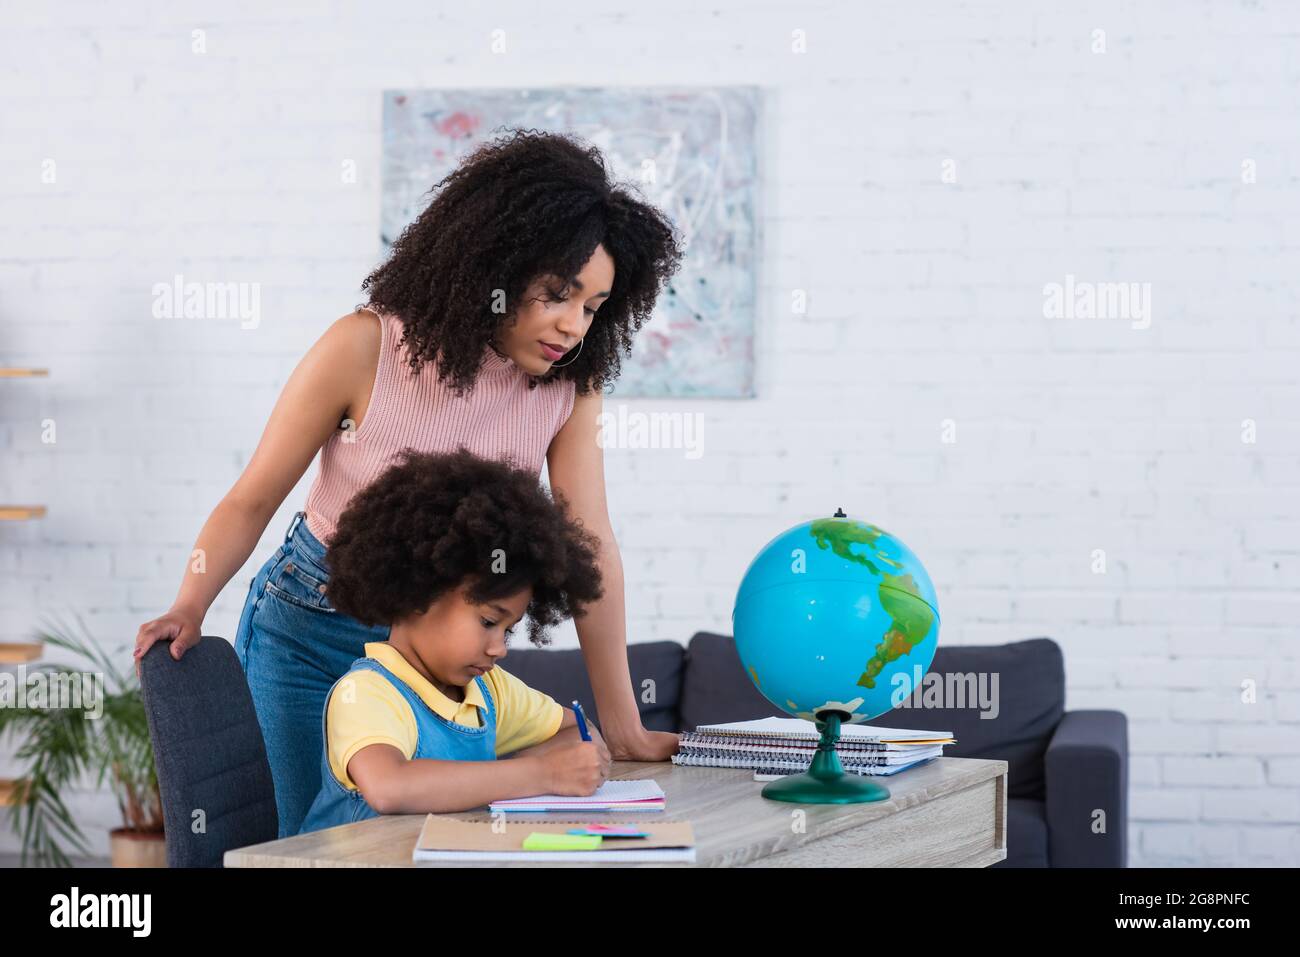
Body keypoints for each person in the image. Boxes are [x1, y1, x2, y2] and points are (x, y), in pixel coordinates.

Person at [134, 129, 684, 837]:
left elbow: (591, 544)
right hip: (311, 628)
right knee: (304, 846)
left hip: (438, 651)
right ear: (498, 263)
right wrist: (191, 600)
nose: (572, 327)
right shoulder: (365, 347)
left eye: (593, 307)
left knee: (407, 841)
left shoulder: (568, 391)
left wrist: (623, 723)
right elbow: (253, 496)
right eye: (558, 294)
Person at [296, 448, 610, 834]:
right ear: (418, 595)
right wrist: (541, 773)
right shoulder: (366, 693)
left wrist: (567, 763)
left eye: (507, 630)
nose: (500, 648)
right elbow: (389, 787)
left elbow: (578, 732)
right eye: (488, 621)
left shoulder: (489, 692)